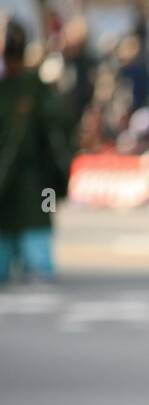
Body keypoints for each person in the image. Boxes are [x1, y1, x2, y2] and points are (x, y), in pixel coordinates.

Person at [0, 17, 72, 284]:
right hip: (5, 182)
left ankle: (38, 267)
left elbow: (56, 133)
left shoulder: (35, 87)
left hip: (35, 178)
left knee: (39, 226)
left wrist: (59, 178)